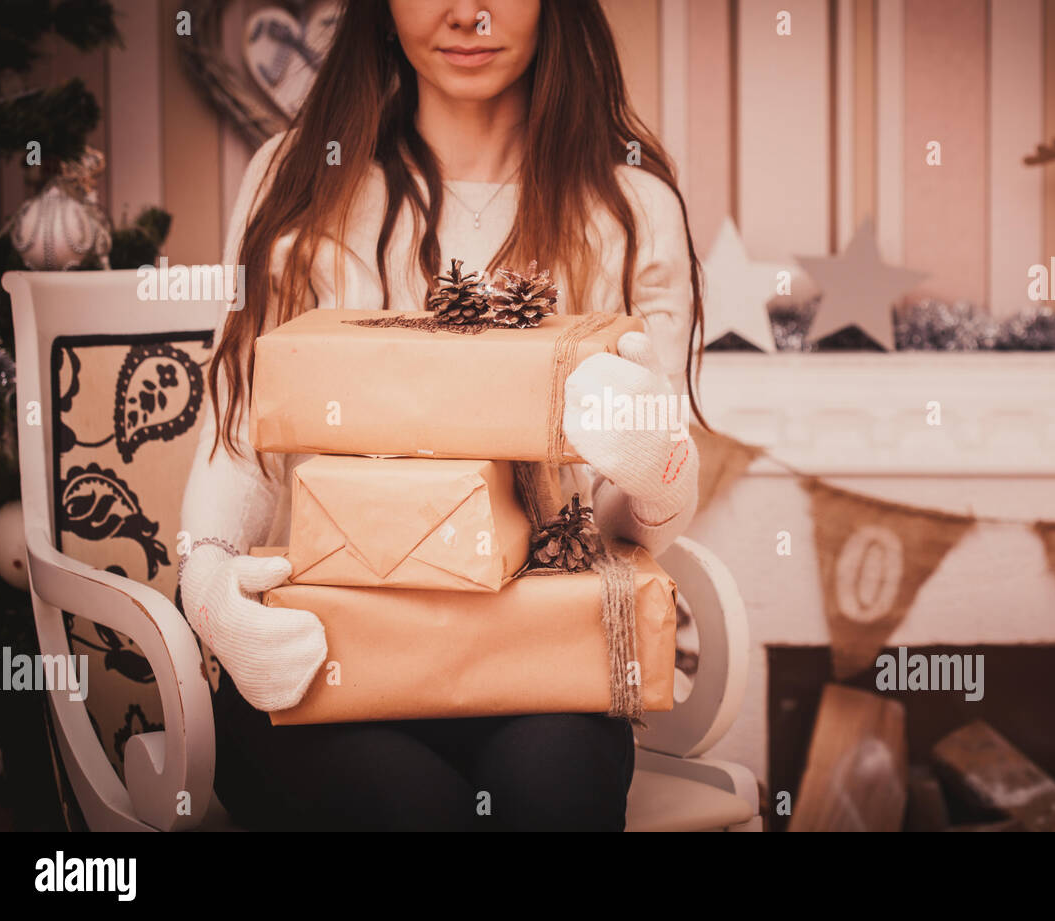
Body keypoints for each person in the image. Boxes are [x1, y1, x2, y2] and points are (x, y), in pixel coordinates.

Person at [178, 0, 705, 831]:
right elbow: (238, 433)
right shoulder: (301, 176)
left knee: (550, 799)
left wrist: (656, 472)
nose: (468, 13)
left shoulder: (629, 209)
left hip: (538, 662)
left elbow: (626, 517)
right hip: (320, 652)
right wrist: (208, 589)